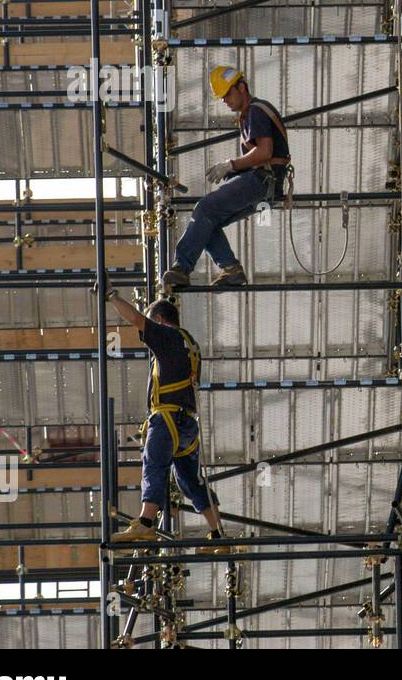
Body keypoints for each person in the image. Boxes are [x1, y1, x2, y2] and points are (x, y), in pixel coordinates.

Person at [107, 292, 241, 554]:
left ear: (159, 320)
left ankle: (146, 522)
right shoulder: (190, 344)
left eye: (152, 322)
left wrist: (112, 297)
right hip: (187, 425)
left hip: (167, 419)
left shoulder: (168, 337)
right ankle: (218, 534)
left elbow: (135, 318)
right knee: (190, 481)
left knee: (154, 463)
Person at [160, 66, 291, 290]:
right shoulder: (252, 113)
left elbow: (264, 152)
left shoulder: (255, 111)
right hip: (269, 186)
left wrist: (231, 164)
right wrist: (233, 171)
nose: (225, 101)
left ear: (242, 87)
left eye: (228, 94)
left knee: (204, 209)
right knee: (208, 222)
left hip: (262, 181)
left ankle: (181, 267)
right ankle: (231, 270)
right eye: (222, 98)